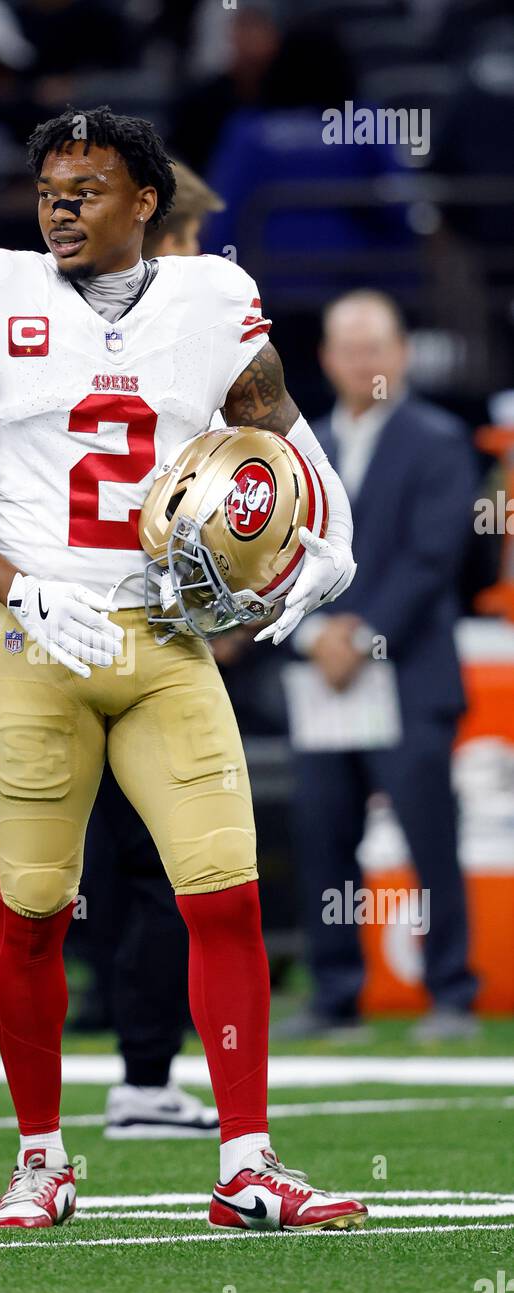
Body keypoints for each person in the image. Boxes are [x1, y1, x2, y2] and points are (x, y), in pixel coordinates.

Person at [0, 107, 365, 1232]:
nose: (60, 205)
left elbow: (284, 442)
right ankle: (40, 1159)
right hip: (35, 645)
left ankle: (247, 1159)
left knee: (225, 896)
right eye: (49, 187)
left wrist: (330, 536)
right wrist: (16, 586)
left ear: (145, 200)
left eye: (88, 187)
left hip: (164, 639)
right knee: (30, 911)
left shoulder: (208, 301)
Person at [0, 161, 230, 1143]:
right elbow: (219, 517)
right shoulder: (172, 334)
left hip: (1, 628)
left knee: (1, 865)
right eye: (183, 240)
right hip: (112, 632)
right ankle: (139, 1073)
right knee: (150, 870)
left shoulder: (3, 315)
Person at [278, 290, 479, 1044]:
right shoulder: (306, 446)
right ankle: (335, 996)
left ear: (400, 354)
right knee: (324, 833)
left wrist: (359, 637)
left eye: (376, 348)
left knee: (430, 834)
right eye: (349, 349)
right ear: (327, 359)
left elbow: (434, 559)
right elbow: (281, 555)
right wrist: (311, 636)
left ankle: (452, 992)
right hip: (322, 680)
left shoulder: (437, 439)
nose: (364, 362)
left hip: (409, 674)